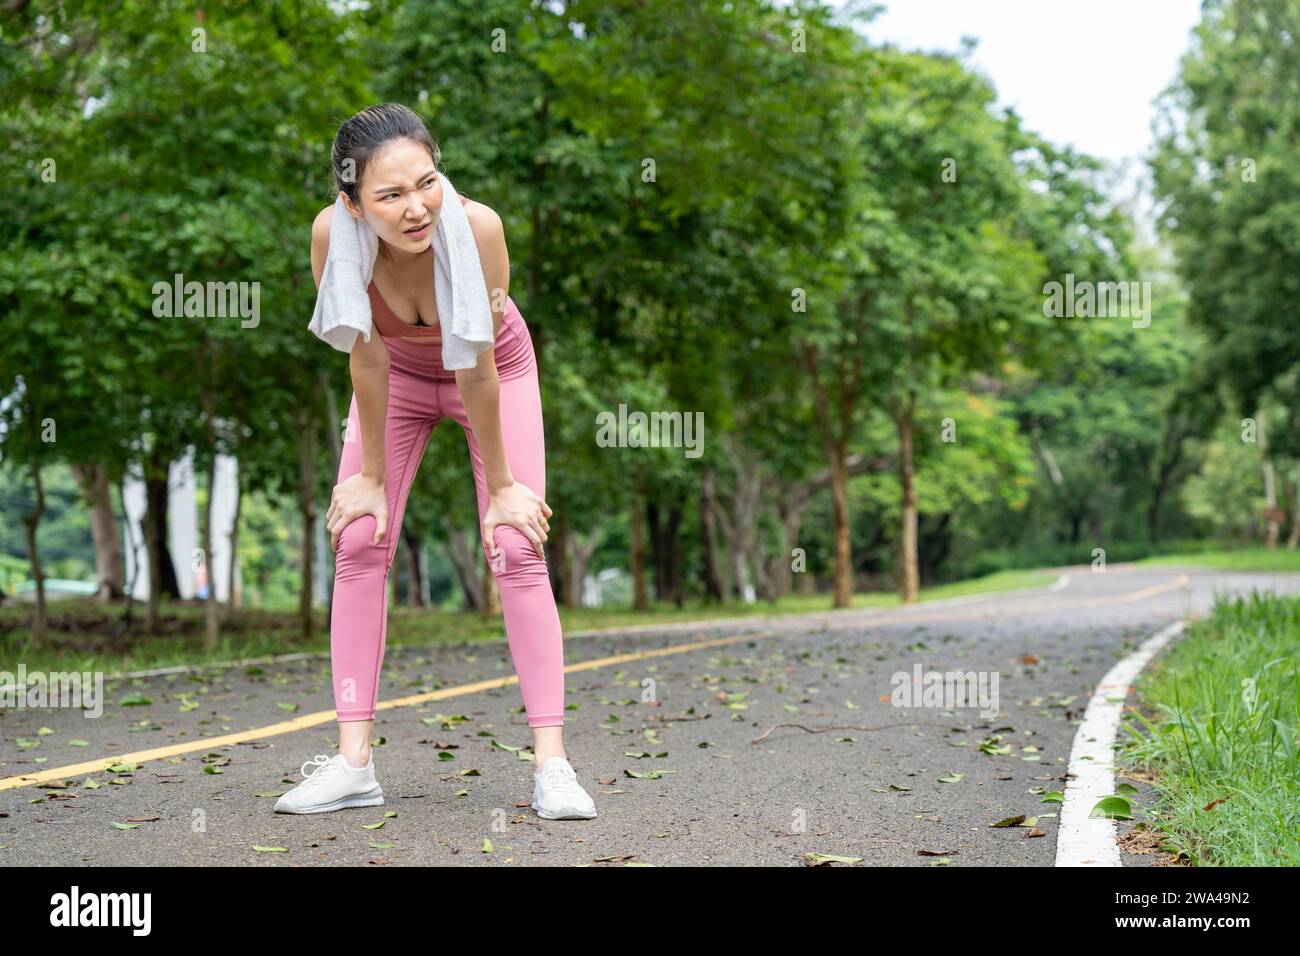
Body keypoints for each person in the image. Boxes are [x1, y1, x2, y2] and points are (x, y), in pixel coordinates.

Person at [275, 103, 595, 821]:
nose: (417, 208)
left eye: (427, 182)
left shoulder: (478, 228)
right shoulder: (334, 236)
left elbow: (478, 364)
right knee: (358, 534)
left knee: (516, 544)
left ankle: (554, 765)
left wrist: (504, 487)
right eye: (390, 196)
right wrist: (371, 480)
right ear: (352, 201)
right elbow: (367, 353)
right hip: (398, 378)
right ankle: (354, 763)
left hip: (493, 372)